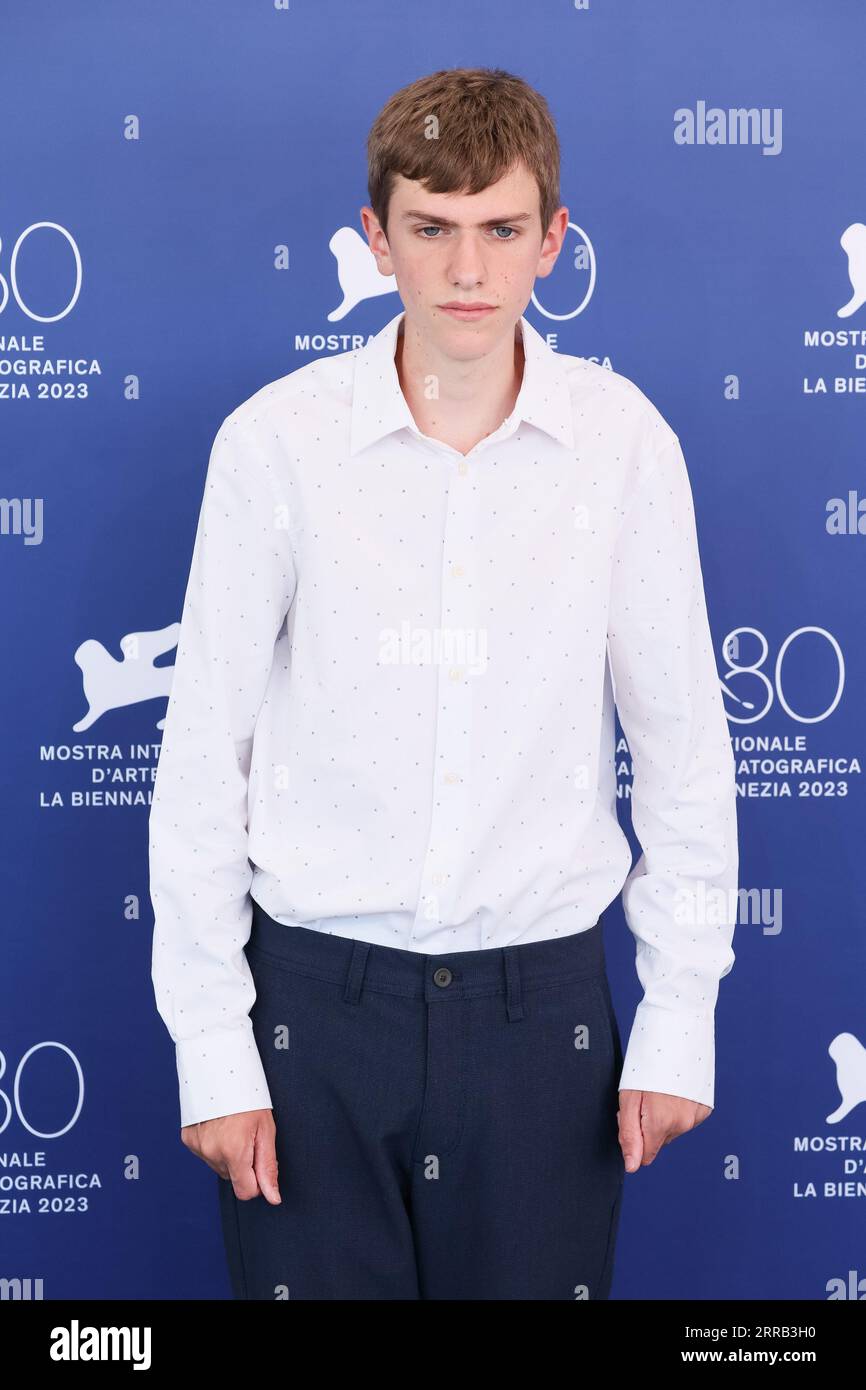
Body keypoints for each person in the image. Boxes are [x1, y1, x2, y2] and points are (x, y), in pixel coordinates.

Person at [148, 66, 738, 1301]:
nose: (465, 269)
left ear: (550, 240)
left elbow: (680, 746)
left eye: (499, 230)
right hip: (310, 1011)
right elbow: (205, 754)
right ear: (376, 239)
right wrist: (212, 1040)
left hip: (542, 1020)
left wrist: (681, 1010)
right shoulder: (274, 445)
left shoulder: (625, 446)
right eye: (430, 228)